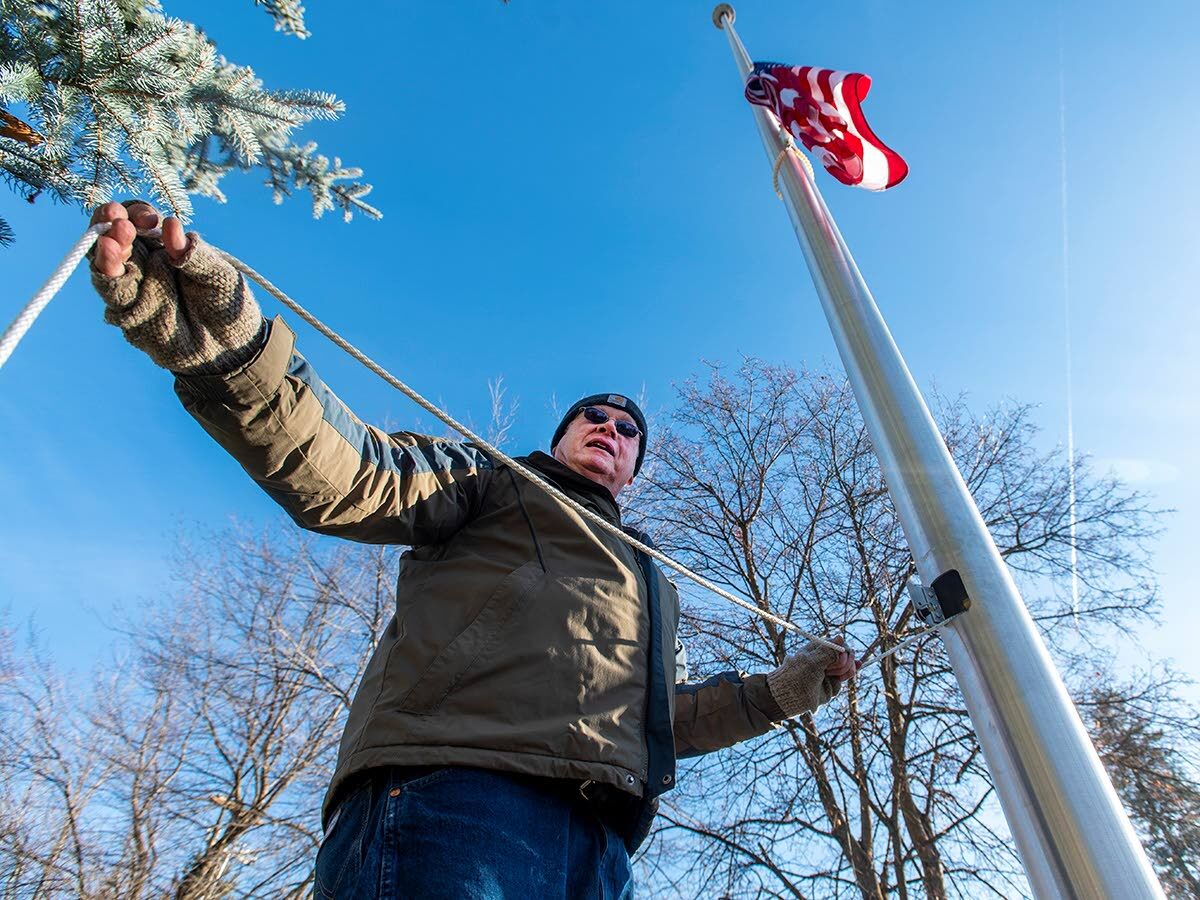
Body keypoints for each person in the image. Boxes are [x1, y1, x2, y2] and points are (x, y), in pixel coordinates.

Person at [87, 200, 860, 899]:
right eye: (593, 416)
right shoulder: (490, 480)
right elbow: (355, 471)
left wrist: (780, 694)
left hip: (602, 848)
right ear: (561, 437)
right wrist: (236, 357)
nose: (610, 429)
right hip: (456, 797)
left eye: (629, 431)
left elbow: (664, 719)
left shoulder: (655, 580)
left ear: (632, 466)